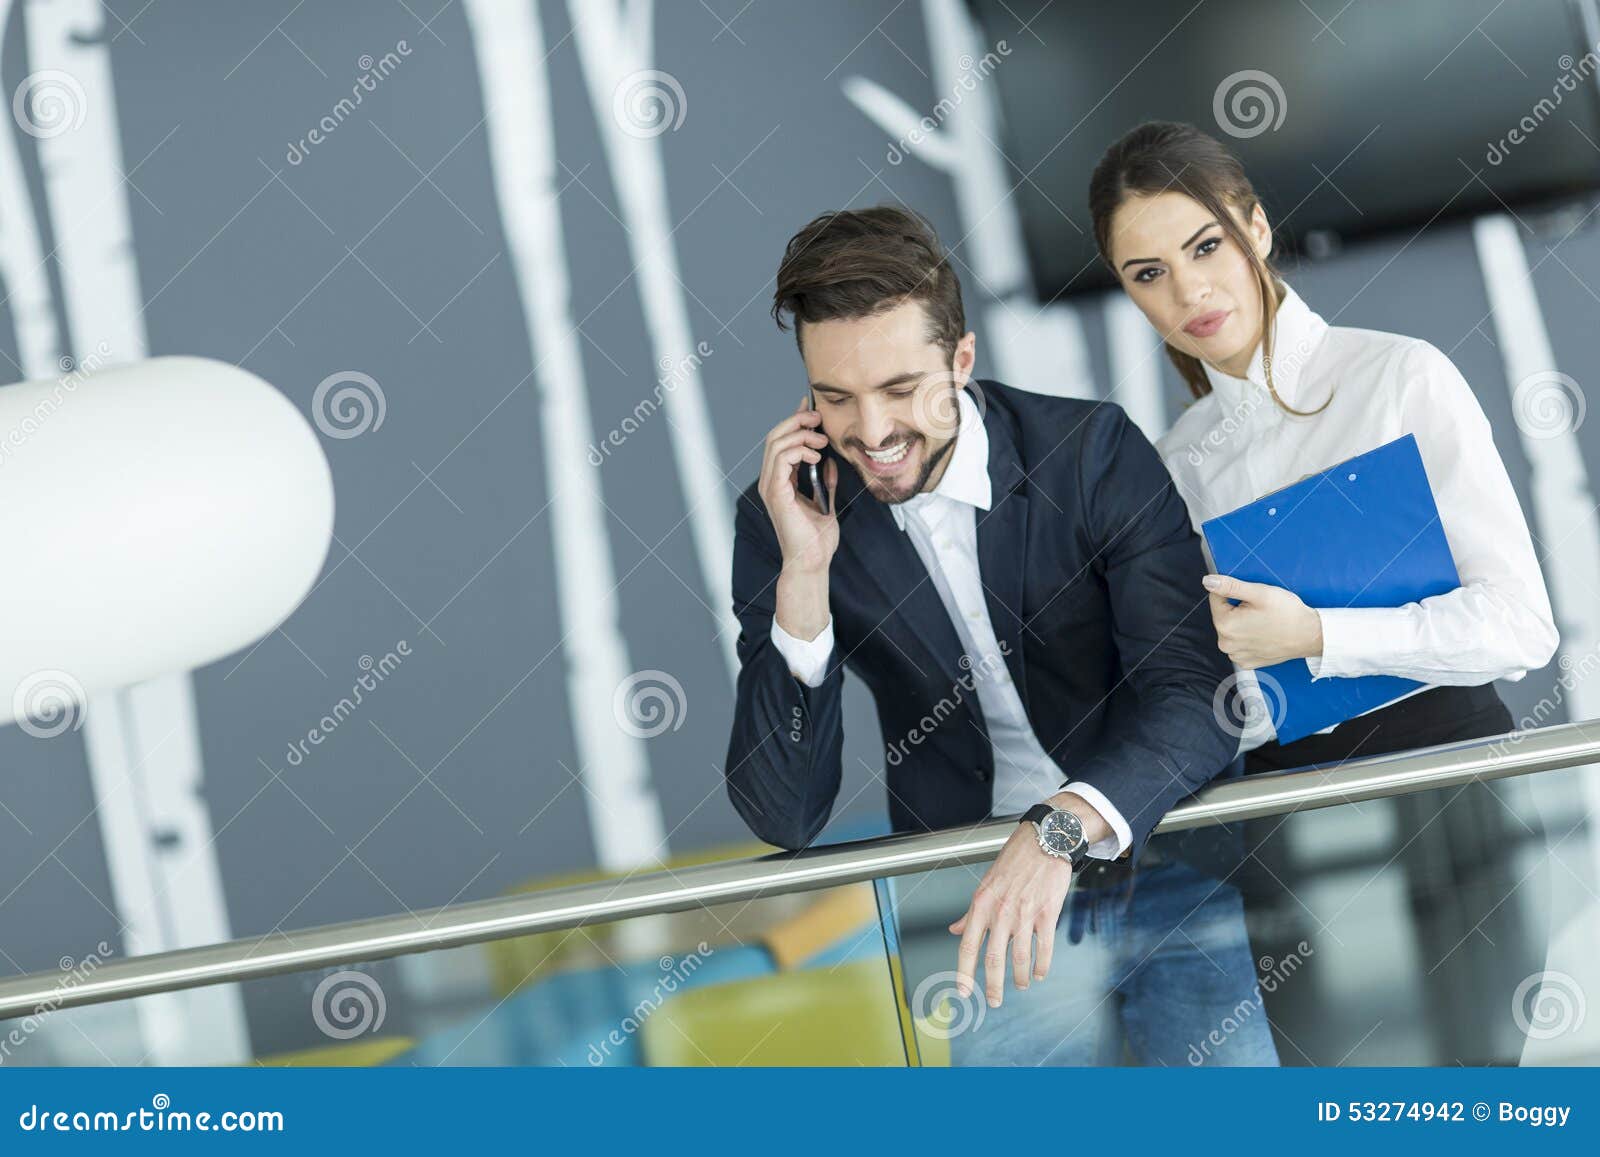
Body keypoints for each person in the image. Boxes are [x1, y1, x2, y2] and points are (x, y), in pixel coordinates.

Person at [724, 205, 1275, 1065]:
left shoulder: (1088, 452)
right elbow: (784, 811)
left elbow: (1197, 697)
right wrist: (803, 577)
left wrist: (1056, 827)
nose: (871, 433)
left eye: (902, 390)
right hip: (978, 905)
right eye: (836, 399)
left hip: (1170, 858)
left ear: (962, 361)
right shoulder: (790, 516)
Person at [1089, 120, 1559, 1063]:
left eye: (1205, 246)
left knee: (1477, 1095)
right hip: (1285, 829)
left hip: (1448, 786)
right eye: (1147, 274)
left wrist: (1316, 632)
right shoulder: (1173, 464)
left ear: (1256, 229)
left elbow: (1522, 626)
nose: (1188, 292)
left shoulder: (1398, 378)